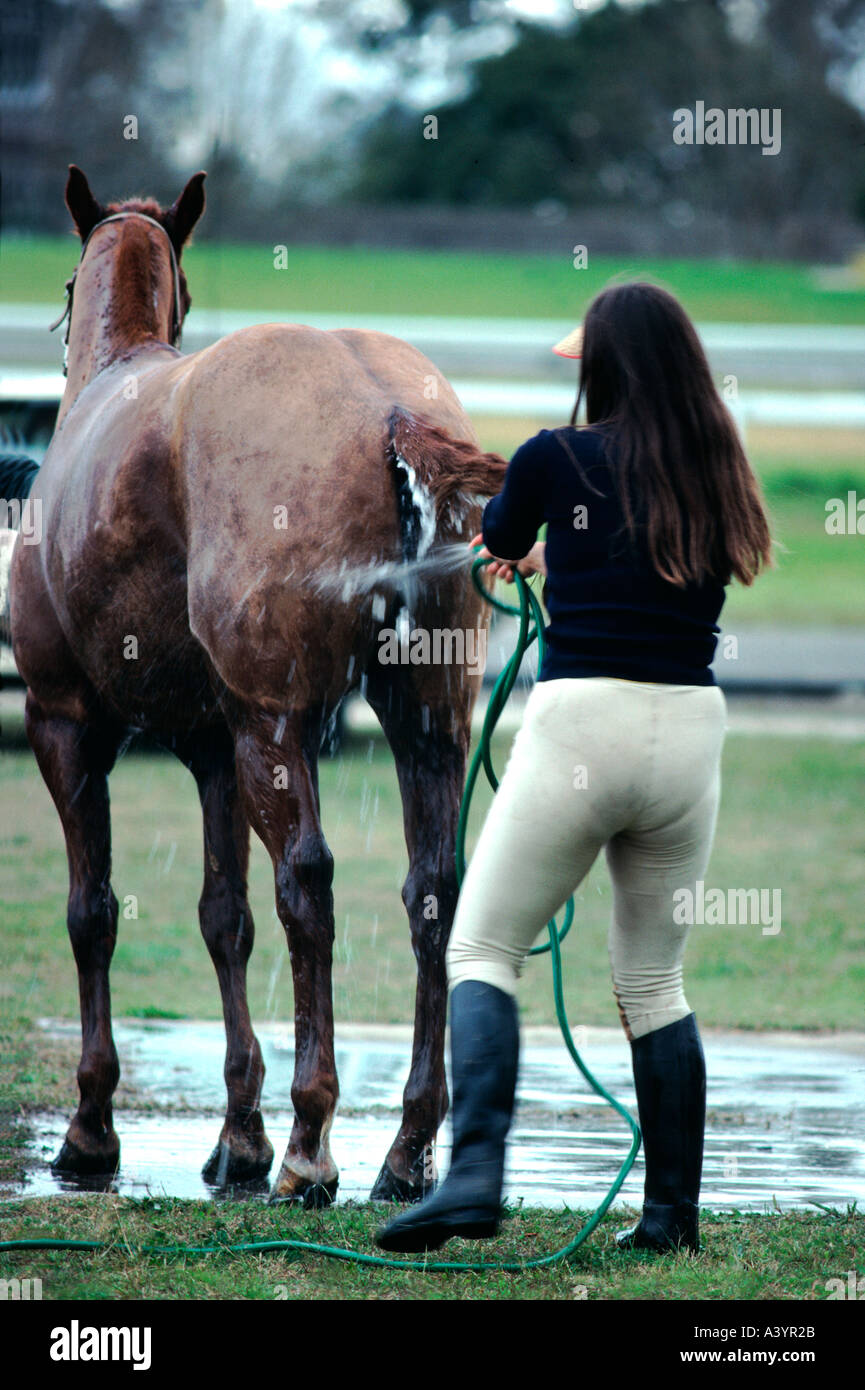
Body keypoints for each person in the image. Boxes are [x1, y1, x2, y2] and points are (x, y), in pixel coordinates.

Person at [376, 282, 773, 1255]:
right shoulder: (716, 468)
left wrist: (526, 551)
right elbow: (644, 554)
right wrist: (570, 555)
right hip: (687, 734)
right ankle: (670, 1218)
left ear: (602, 367)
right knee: (652, 981)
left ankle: (473, 1179)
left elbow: (498, 540)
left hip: (581, 726)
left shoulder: (558, 455)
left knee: (482, 949)